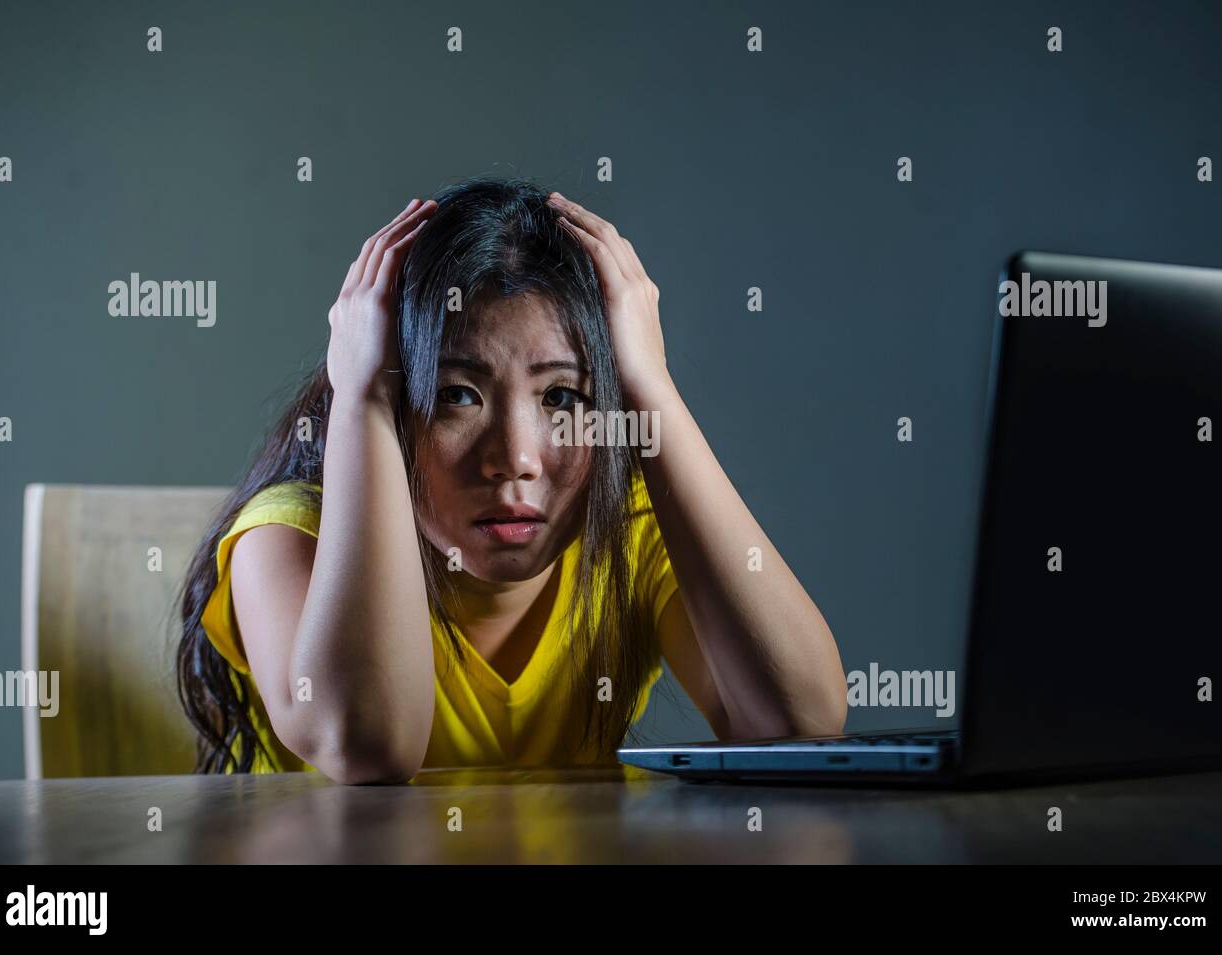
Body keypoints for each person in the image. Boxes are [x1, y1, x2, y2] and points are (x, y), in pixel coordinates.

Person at [176, 176, 847, 783]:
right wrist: (359, 395)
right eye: (457, 395)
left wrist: (649, 383)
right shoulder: (289, 537)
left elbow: (800, 722)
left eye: (563, 398)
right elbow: (367, 743)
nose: (516, 458)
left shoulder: (626, 534)